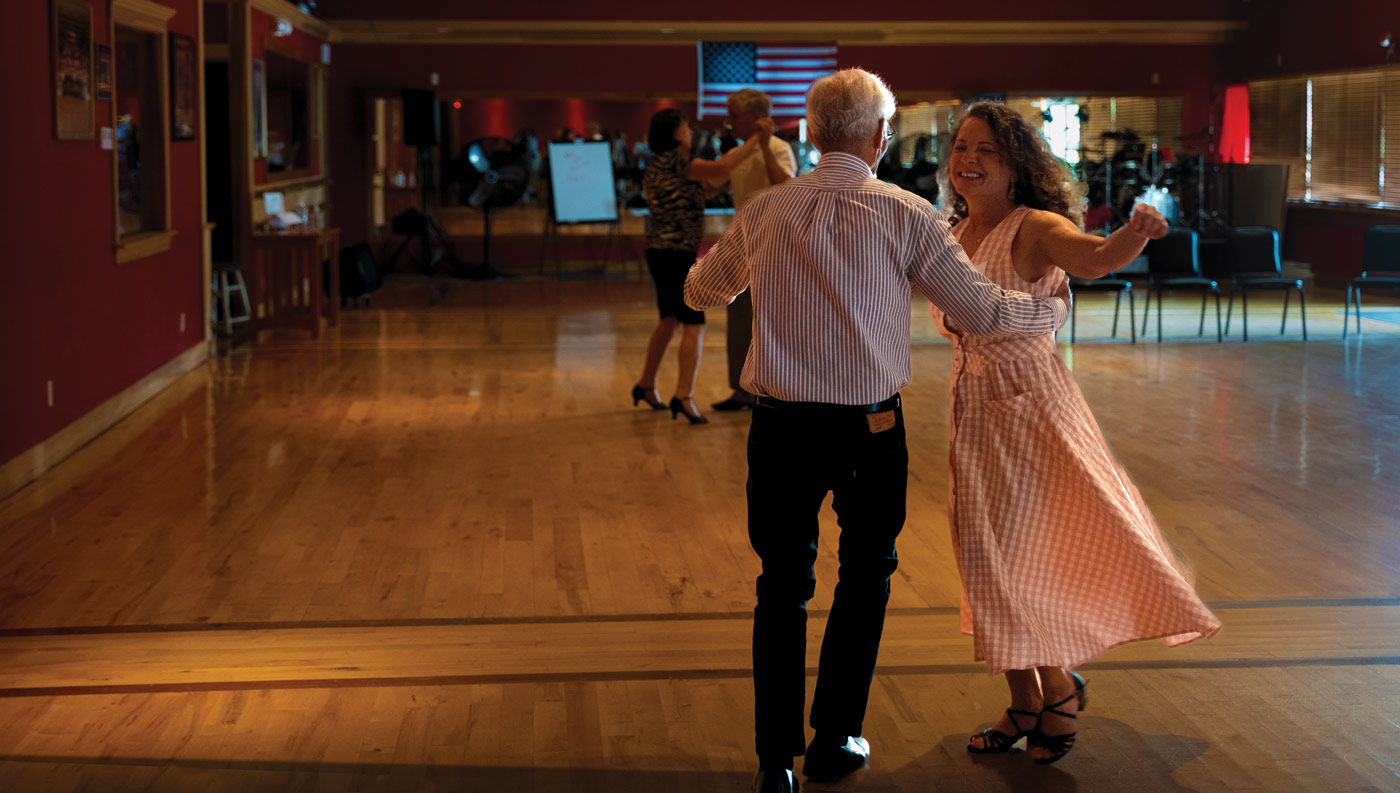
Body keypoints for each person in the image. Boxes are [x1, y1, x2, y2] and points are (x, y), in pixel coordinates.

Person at [684, 70, 1069, 793]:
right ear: (878, 136)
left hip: (778, 428)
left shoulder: (767, 210)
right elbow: (982, 312)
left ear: (812, 130)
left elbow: (701, 292)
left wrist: (739, 272)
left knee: (781, 584)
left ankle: (775, 761)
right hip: (869, 430)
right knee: (864, 579)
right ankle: (834, 739)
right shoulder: (908, 213)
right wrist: (1046, 315)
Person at [930, 102, 1222, 765]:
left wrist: (1136, 233)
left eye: (985, 150)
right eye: (960, 148)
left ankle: (1056, 688)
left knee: (1027, 557)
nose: (966, 160)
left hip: (1031, 408)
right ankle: (1023, 698)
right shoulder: (949, 232)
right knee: (983, 559)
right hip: (972, 408)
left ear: (1016, 165)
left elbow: (1094, 259)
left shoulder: (1033, 226)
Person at [631, 108, 762, 424]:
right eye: (686, 128)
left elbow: (709, 187)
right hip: (677, 253)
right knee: (693, 324)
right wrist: (759, 138)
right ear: (675, 134)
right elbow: (723, 164)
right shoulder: (679, 161)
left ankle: (646, 385)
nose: (690, 132)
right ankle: (683, 395)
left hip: (657, 251)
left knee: (668, 320)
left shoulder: (655, 165)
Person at [707, 89, 798, 412]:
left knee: (771, 320)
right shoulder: (738, 152)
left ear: (756, 118)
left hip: (775, 248)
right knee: (739, 318)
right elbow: (711, 186)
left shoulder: (779, 148)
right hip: (741, 246)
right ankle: (741, 390)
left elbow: (784, 185)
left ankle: (771, 389)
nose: (728, 122)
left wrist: (762, 145)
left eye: (734, 115)